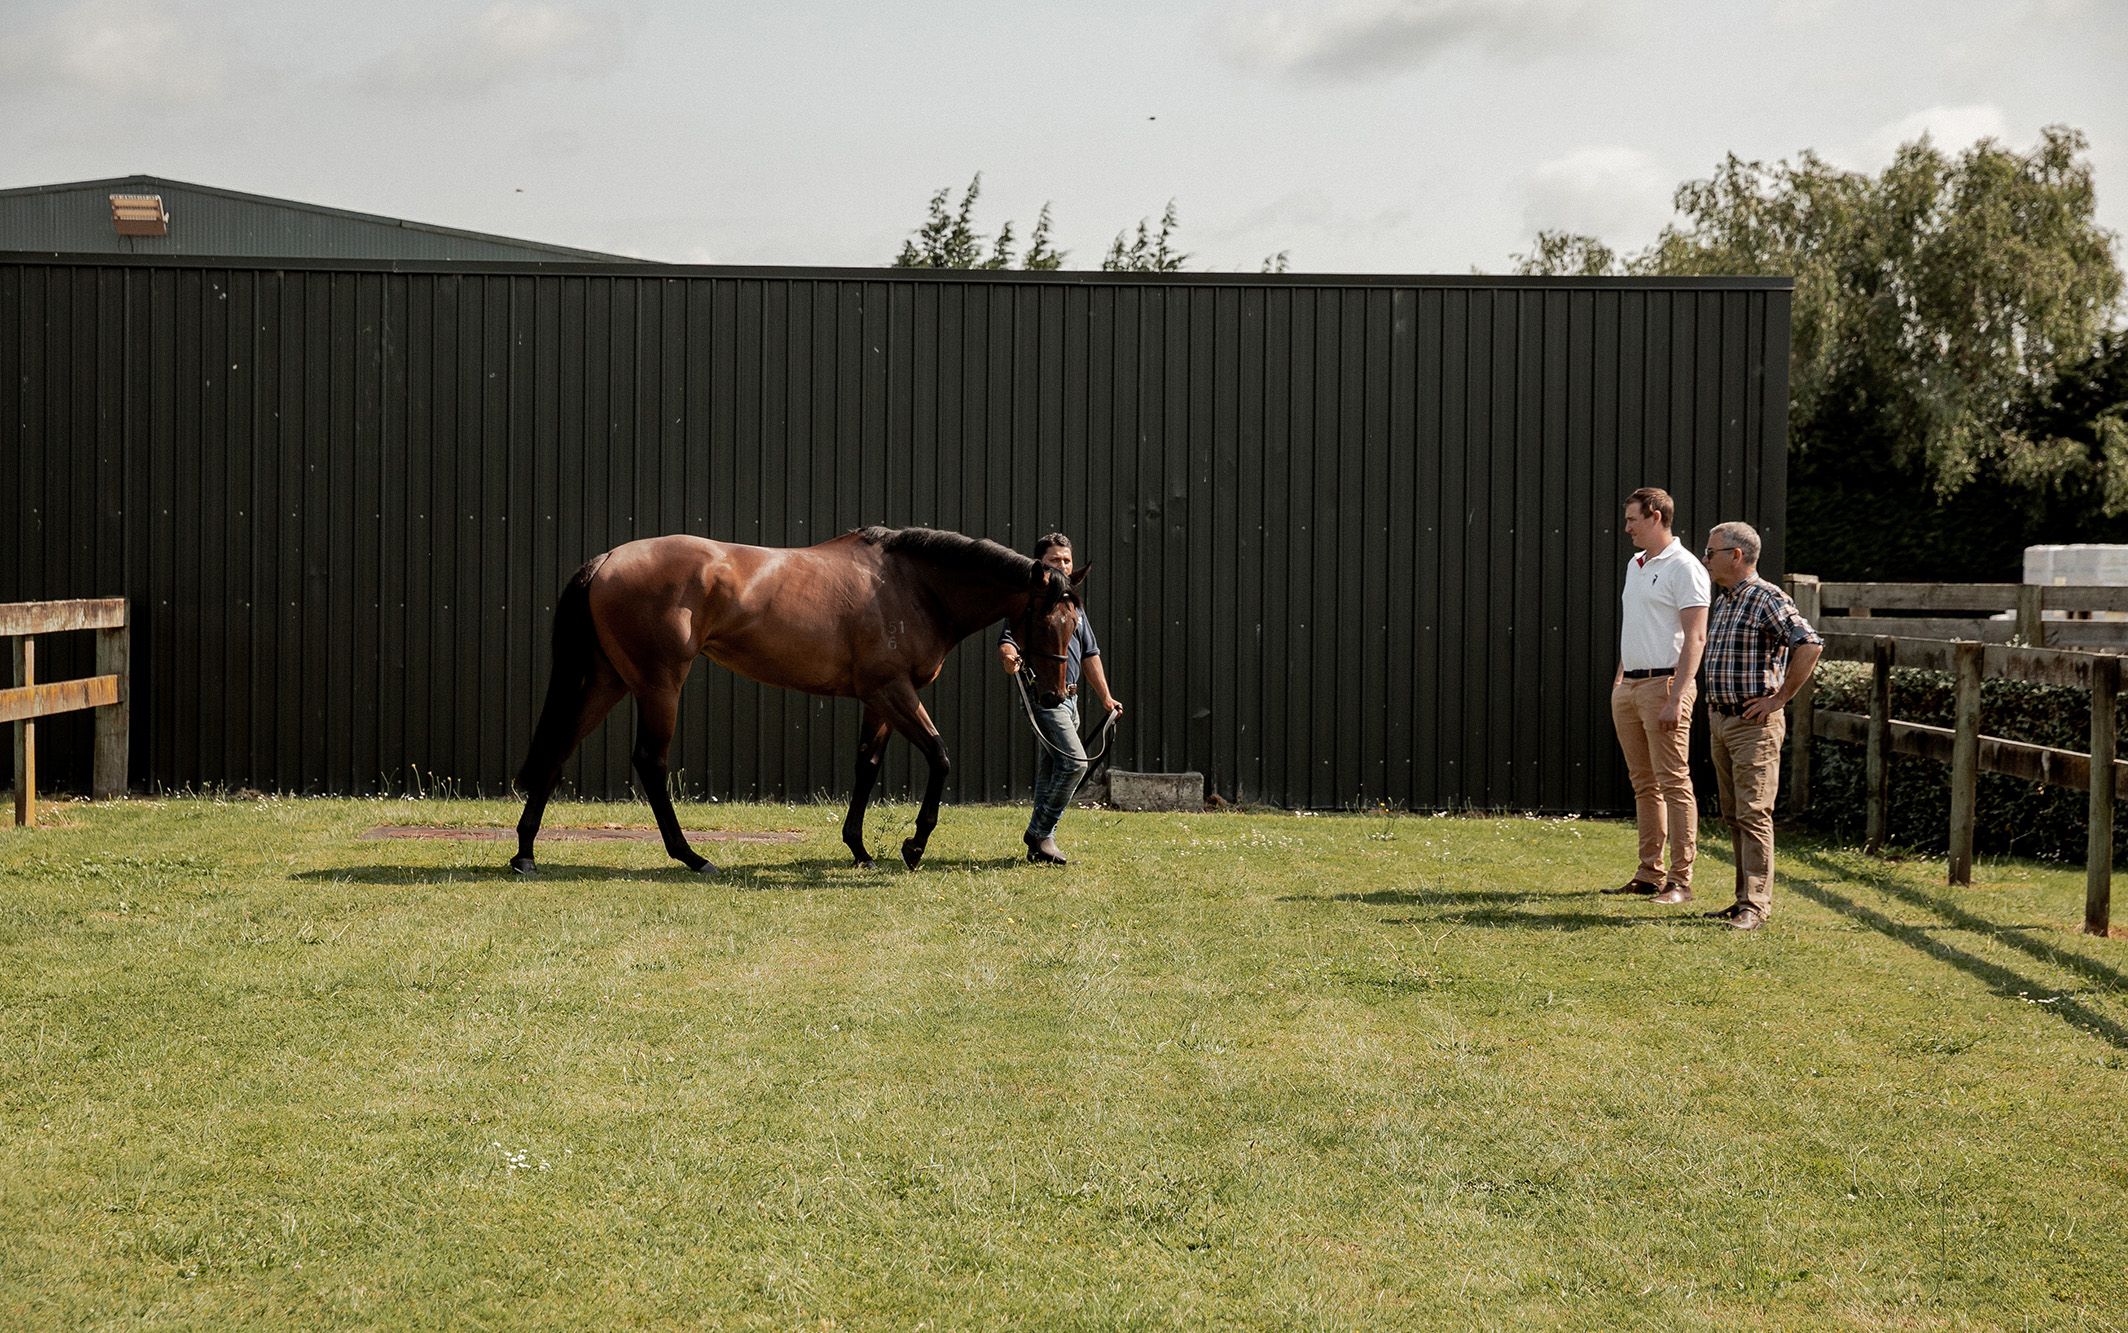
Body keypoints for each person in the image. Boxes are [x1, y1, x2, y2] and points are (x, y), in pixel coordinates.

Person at [1699, 520, 1822, 930]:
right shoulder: (1726, 599)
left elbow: (1809, 642)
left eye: (1711, 552)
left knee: (1753, 813)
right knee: (1734, 815)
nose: (1705, 558)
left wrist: (1779, 698)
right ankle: (1742, 901)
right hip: (1722, 720)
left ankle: (1756, 905)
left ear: (1736, 555)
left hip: (1754, 726)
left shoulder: (1766, 597)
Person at [1606, 486, 1712, 905]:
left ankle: (1680, 882)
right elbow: (1636, 626)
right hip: (1629, 686)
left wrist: (1676, 695)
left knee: (1673, 782)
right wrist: (1620, 679)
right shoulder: (1636, 564)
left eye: (1633, 519)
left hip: (1665, 685)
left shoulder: (1685, 567)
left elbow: (1696, 636)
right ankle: (1649, 873)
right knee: (1643, 782)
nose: (1627, 527)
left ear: (1655, 516)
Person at [998, 533, 1124, 865]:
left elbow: (1090, 655)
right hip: (1043, 697)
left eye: (1067, 560)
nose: (1063, 566)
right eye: (1055, 560)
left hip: (1072, 700)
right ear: (1040, 565)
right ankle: (1039, 833)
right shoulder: (1031, 603)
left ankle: (1040, 848)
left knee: (1052, 769)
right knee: (1075, 764)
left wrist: (1107, 698)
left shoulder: (1071, 607)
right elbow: (1007, 639)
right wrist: (1008, 659)